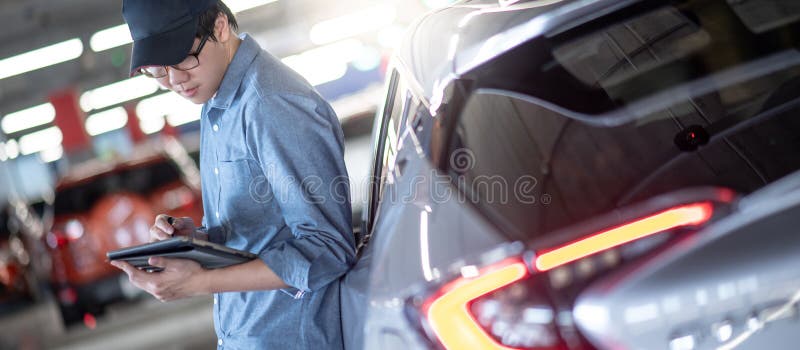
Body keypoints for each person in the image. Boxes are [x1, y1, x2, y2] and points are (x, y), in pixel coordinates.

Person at [109, 1, 356, 348]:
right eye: (158, 70)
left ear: (221, 27)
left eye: (181, 58)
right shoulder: (215, 99)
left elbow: (328, 250)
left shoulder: (271, 104)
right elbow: (262, 230)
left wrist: (198, 283)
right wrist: (198, 239)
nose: (175, 79)